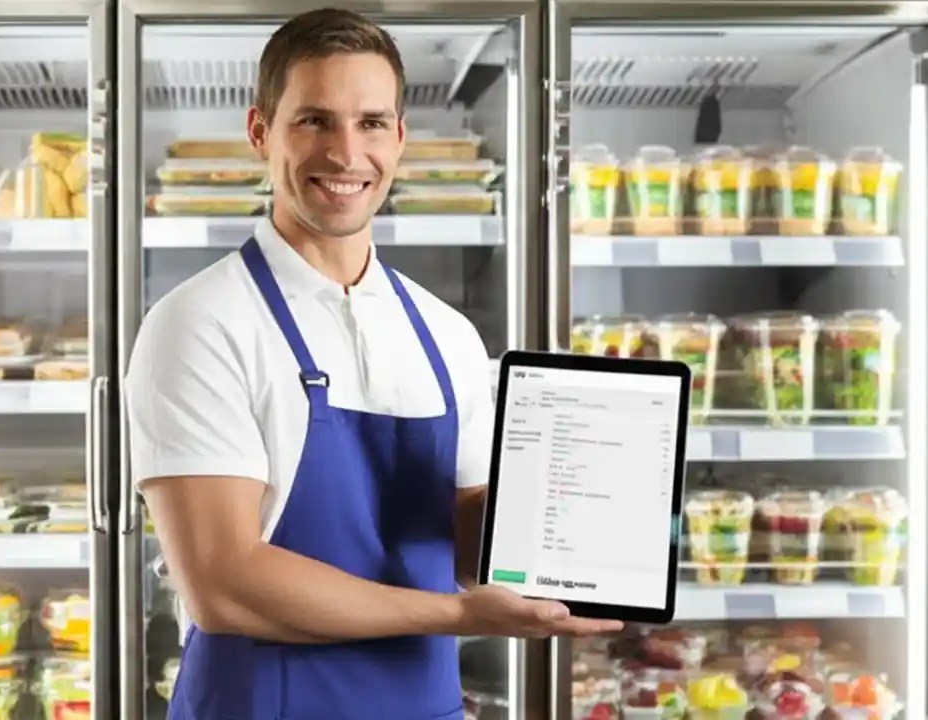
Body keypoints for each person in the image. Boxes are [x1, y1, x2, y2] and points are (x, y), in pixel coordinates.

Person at [126, 8, 623, 719]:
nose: (345, 153)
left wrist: (584, 509)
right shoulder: (201, 321)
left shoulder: (445, 333)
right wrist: (457, 617)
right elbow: (224, 582)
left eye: (370, 123)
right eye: (314, 121)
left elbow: (459, 540)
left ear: (399, 136)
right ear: (260, 131)